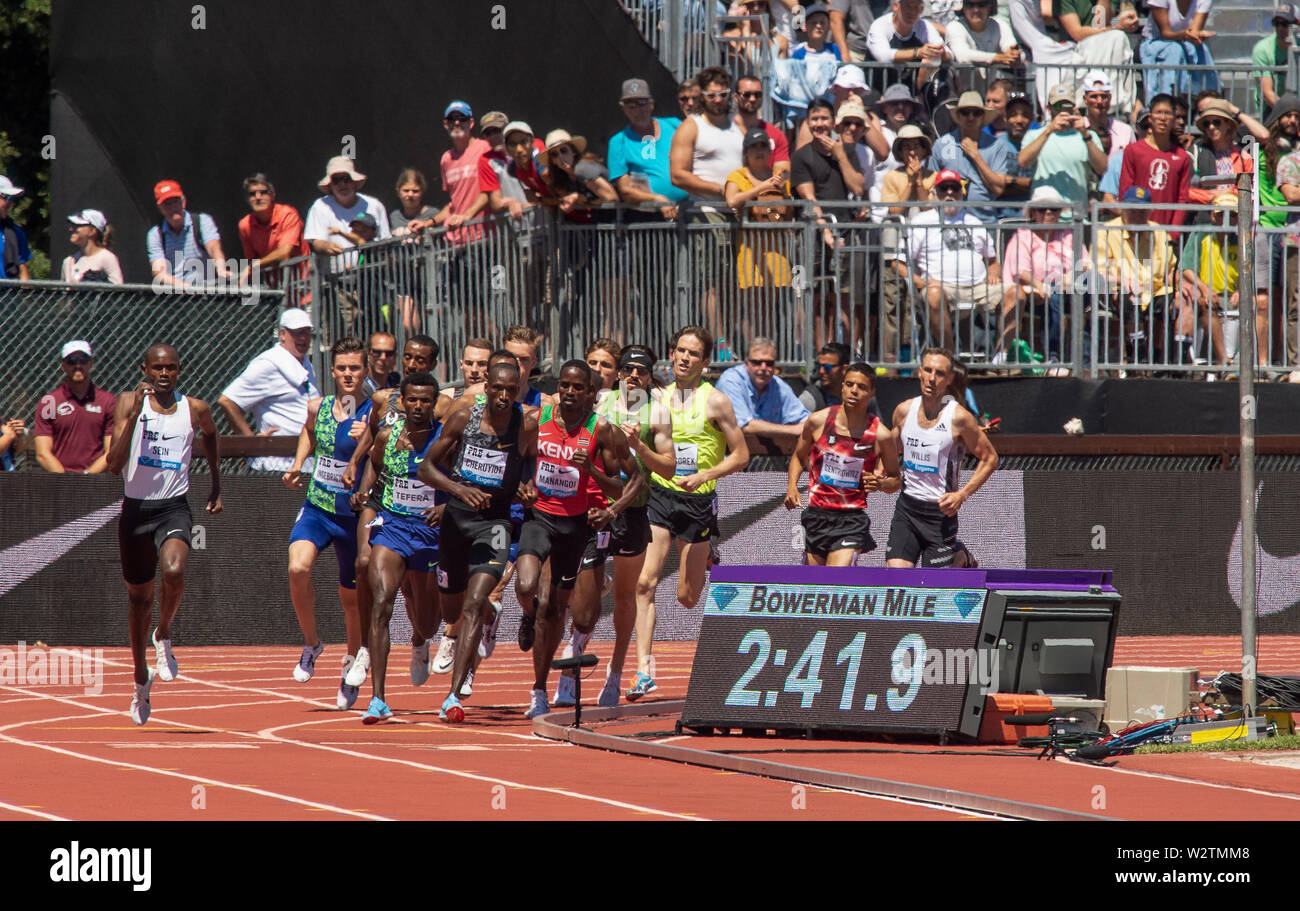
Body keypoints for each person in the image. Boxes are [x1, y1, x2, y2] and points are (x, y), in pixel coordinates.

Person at [622, 326, 749, 701]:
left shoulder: (717, 402)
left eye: (693, 354)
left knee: (688, 597)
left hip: (698, 501)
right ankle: (644, 669)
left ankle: (707, 554)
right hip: (662, 495)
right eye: (679, 350)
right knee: (645, 583)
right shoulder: (655, 397)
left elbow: (742, 456)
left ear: (705, 363)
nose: (683, 358)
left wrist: (705, 475)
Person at [416, 360, 539, 723]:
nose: (504, 397)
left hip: (496, 522)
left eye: (511, 390)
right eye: (497, 389)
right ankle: (487, 616)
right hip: (456, 519)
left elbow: (529, 462)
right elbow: (426, 468)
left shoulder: (524, 425)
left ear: (518, 389)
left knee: (473, 603)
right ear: (486, 387)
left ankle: (453, 696)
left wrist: (526, 487)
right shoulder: (463, 419)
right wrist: (458, 490)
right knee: (452, 611)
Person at [106, 344, 222, 725]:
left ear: (180, 370)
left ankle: (165, 632)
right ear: (144, 369)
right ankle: (140, 677)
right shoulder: (128, 403)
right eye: (157, 368)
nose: (164, 374)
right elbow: (113, 465)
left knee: (173, 570)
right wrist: (138, 414)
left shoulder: (195, 408)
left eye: (171, 367)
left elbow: (211, 436)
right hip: (136, 511)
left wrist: (216, 485)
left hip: (173, 506)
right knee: (138, 600)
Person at [513, 361, 634, 719]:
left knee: (577, 615)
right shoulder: (537, 421)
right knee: (530, 587)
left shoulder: (604, 431)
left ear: (590, 394)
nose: (568, 392)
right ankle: (538, 677)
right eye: (563, 385)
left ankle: (548, 676)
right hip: (540, 518)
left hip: (581, 525)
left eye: (577, 387)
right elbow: (515, 460)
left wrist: (596, 479)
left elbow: (630, 482)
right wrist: (522, 485)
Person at [338, 334, 440, 703]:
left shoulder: (440, 409)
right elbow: (372, 442)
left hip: (425, 515)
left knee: (421, 603)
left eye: (421, 360)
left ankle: (420, 638)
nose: (413, 364)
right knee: (365, 563)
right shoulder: (383, 400)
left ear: (432, 366)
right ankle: (368, 649)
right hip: (383, 498)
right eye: (408, 358)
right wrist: (354, 465)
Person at [282, 337, 371, 697]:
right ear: (332, 371)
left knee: (350, 598)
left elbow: (393, 446)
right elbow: (308, 432)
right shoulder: (318, 406)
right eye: (342, 368)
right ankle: (312, 644)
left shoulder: (373, 413)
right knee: (297, 568)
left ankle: (351, 659)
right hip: (318, 506)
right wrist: (298, 463)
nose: (348, 374)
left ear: (365, 371)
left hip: (352, 515)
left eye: (355, 368)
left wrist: (371, 437)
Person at [356, 373, 444, 724]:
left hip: (429, 533)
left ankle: (420, 640)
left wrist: (446, 507)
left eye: (426, 400)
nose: (419, 406)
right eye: (413, 400)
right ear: (402, 403)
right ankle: (377, 698)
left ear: (435, 402)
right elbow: (374, 469)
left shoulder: (444, 440)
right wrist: (364, 494)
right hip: (392, 526)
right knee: (380, 603)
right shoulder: (388, 436)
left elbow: (461, 480)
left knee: (427, 620)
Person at [588, 345, 659, 705]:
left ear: (649, 377)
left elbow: (669, 465)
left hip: (634, 507)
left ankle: (615, 675)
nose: (634, 375)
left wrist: (639, 449)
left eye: (642, 371)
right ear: (618, 374)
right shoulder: (599, 403)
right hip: (594, 507)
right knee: (580, 588)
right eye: (628, 369)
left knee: (626, 596)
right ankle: (570, 674)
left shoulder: (659, 411)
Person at [885, 347, 998, 567]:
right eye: (927, 370)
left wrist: (962, 495)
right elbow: (891, 452)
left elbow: (990, 458)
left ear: (949, 379)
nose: (931, 379)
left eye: (939, 373)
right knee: (896, 576)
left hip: (940, 514)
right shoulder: (903, 411)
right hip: (907, 509)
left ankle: (960, 557)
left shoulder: (959, 418)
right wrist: (882, 476)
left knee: (932, 587)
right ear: (919, 372)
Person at [785, 362, 900, 565]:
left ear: (872, 392)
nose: (854, 391)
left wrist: (881, 484)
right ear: (842, 387)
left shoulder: (881, 434)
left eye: (861, 387)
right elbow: (797, 456)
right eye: (850, 384)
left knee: (836, 577)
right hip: (816, 515)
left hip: (851, 519)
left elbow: (895, 480)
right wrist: (792, 486)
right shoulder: (818, 421)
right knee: (816, 584)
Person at [900, 170, 1002, 349]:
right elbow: (898, 263)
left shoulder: (974, 222)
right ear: (934, 193)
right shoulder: (920, 221)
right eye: (943, 189)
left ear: (961, 194)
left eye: (954, 189)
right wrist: (921, 282)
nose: (949, 193)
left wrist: (993, 273)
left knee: (1014, 293)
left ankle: (1002, 357)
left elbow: (992, 260)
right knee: (933, 294)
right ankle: (949, 356)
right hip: (941, 288)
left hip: (978, 287)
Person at [218, 308, 320, 473]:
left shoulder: (306, 363)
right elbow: (227, 401)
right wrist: (250, 442)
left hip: (306, 464)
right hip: (276, 467)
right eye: (297, 333)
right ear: (283, 334)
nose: (303, 338)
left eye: (306, 333)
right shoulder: (267, 364)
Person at [999, 185, 1089, 368]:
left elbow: (1086, 262)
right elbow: (1021, 272)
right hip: (1036, 292)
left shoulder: (1069, 234)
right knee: (1054, 297)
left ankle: (1087, 362)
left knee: (1093, 293)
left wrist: (1071, 276)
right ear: (1032, 213)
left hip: (1071, 287)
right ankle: (1052, 356)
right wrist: (1043, 285)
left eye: (1054, 209)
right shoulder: (1023, 236)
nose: (1048, 213)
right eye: (1042, 209)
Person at [1094, 186, 1179, 368]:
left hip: (1155, 289)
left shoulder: (1158, 231)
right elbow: (1098, 271)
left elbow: (1171, 270)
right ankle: (1136, 358)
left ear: (1149, 211)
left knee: (1173, 303)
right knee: (1129, 300)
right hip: (1120, 290)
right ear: (1123, 208)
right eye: (1132, 210)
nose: (1137, 215)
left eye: (1141, 211)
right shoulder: (1106, 231)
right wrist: (1122, 281)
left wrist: (1182, 288)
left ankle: (1162, 360)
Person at [1006, 0, 1139, 116]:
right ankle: (1117, 106)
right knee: (1117, 36)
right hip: (1075, 47)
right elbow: (1077, 33)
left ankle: (1121, 105)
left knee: (1117, 37)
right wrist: (1116, 26)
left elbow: (1100, 24)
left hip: (1097, 46)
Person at [725, 127, 796, 342]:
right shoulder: (737, 176)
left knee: (769, 308)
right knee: (753, 307)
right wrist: (761, 189)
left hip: (776, 249)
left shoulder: (780, 178)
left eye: (763, 146)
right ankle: (754, 354)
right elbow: (732, 201)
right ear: (745, 152)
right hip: (750, 250)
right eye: (754, 147)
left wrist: (783, 192)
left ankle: (767, 353)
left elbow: (790, 211)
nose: (759, 151)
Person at [608, 79, 686, 221]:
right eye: (631, 105)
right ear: (623, 108)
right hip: (648, 219)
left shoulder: (674, 124)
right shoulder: (618, 142)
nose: (638, 110)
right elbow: (625, 191)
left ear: (651, 104)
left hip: (688, 212)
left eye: (642, 103)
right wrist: (657, 199)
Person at [33, 340, 116, 474]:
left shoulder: (108, 401)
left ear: (91, 363)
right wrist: (68, 481)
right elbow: (43, 453)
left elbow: (111, 451)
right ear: (63, 365)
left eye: (83, 360)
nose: (78, 366)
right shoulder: (49, 402)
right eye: (71, 361)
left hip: (95, 483)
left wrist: (87, 478)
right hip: (58, 482)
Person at [930, 90, 1014, 223]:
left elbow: (998, 189)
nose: (970, 117)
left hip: (985, 221)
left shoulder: (997, 146)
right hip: (948, 221)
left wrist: (976, 156)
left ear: (983, 116)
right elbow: (931, 186)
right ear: (958, 116)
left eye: (976, 113)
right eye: (965, 112)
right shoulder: (941, 145)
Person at [1019, 84, 1108, 206]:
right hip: (1044, 214)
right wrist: (1049, 130)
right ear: (1049, 108)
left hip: (1075, 217)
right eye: (1058, 106)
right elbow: (1023, 162)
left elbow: (1102, 168)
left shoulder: (1088, 135)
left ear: (1073, 108)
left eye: (1067, 106)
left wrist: (1085, 134)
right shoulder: (1034, 135)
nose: (1062, 111)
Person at [715, 337, 811, 445]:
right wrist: (793, 430)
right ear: (747, 363)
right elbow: (744, 425)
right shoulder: (731, 381)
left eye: (769, 363)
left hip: (770, 457)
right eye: (757, 362)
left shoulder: (778, 386)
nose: (763, 367)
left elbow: (804, 419)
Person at [1119, 93, 1193, 230]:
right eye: (1158, 113)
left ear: (1174, 119)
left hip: (1166, 233)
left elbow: (1182, 198)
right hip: (1137, 229)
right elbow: (1125, 190)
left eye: (1168, 113)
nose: (1163, 118)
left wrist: (1173, 234)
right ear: (1150, 117)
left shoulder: (1181, 156)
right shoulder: (1133, 150)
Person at [303, 157, 391, 269]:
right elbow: (315, 242)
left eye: (346, 179)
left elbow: (385, 241)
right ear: (330, 185)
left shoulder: (375, 205)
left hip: (372, 276)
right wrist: (326, 246)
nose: (342, 184)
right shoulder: (320, 206)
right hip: (335, 281)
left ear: (354, 182)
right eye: (336, 180)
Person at [147, 179, 230, 288]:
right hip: (175, 297)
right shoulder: (155, 234)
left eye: (176, 201)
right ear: (160, 209)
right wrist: (185, 288)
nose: (173, 208)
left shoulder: (202, 221)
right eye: (167, 204)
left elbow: (214, 248)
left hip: (207, 292)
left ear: (183, 202)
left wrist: (221, 269)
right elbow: (160, 273)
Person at [236, 173, 308, 288]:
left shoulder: (288, 214)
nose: (258, 197)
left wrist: (253, 267)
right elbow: (251, 260)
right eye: (252, 194)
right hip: (274, 294)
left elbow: (284, 253)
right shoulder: (245, 225)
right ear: (247, 199)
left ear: (272, 195)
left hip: (302, 290)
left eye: (263, 192)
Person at [435, 100, 491, 245]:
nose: (457, 123)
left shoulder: (485, 149)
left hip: (485, 238)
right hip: (456, 242)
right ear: (446, 124)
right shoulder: (446, 159)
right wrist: (429, 222)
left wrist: (466, 216)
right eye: (452, 119)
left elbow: (491, 192)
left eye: (462, 119)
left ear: (471, 123)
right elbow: (454, 203)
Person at [1139, 0, 1218, 102]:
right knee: (1175, 50)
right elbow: (1166, 33)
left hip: (1185, 43)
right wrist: (1186, 34)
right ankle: (1166, 99)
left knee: (1202, 50)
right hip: (1156, 43)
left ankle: (1207, 100)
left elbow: (1193, 33)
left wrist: (1197, 36)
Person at [866, 0, 952, 92]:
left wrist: (939, 53)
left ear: (921, 9)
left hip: (909, 94)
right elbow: (883, 56)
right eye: (907, 6)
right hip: (877, 90)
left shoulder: (925, 27)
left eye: (916, 7)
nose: (911, 12)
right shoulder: (880, 25)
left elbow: (950, 55)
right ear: (896, 6)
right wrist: (918, 53)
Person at [945, 0, 1022, 89]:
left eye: (981, 4)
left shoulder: (1000, 25)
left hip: (989, 96)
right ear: (963, 7)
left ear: (990, 6)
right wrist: (998, 58)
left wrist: (1014, 57)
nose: (976, 10)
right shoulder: (954, 26)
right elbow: (962, 56)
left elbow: (1011, 49)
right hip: (959, 96)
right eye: (970, 5)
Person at [732, 74, 792, 178]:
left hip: (766, 191)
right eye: (746, 95)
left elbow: (783, 174)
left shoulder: (776, 135)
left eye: (757, 94)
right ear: (736, 97)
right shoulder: (725, 130)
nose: (752, 99)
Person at [992, 91, 1035, 218]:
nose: (1019, 120)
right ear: (1005, 118)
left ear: (1032, 118)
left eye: (1025, 115)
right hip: (1002, 218)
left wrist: (1010, 181)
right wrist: (1026, 184)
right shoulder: (995, 145)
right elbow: (995, 187)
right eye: (1013, 115)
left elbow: (1038, 184)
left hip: (1032, 219)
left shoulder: (1038, 144)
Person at [1080, 71, 1135, 166]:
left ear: (1110, 98)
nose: (1099, 101)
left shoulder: (1125, 131)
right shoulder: (1077, 129)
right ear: (1085, 99)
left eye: (1103, 96)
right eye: (1094, 96)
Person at [1252, 4, 1296, 116]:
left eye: (1285, 24)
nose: (1280, 28)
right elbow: (1267, 93)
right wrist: (1289, 114)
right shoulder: (1262, 49)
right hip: (1271, 108)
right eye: (1277, 24)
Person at [61, 209, 123, 284]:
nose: (71, 229)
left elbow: (118, 290)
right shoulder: (68, 261)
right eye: (72, 225)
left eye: (77, 226)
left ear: (93, 231)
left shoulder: (107, 258)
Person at [439, 338, 494, 404]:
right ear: (461, 365)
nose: (474, 370)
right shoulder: (447, 396)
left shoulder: (498, 399)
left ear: (492, 366)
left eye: (481, 364)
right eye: (469, 363)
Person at [0, 176, 32, 281]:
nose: (10, 204)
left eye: (12, 199)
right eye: (7, 198)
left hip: (10, 294)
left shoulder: (15, 232)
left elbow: (22, 267)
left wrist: (24, 296)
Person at [390, 168, 438, 236]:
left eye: (415, 191)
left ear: (422, 192)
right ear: (398, 192)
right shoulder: (394, 217)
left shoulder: (434, 214)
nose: (410, 195)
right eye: (406, 191)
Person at [362, 332, 400, 398]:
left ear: (395, 357)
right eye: (377, 352)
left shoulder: (396, 383)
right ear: (368, 354)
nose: (383, 357)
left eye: (389, 353)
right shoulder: (358, 386)